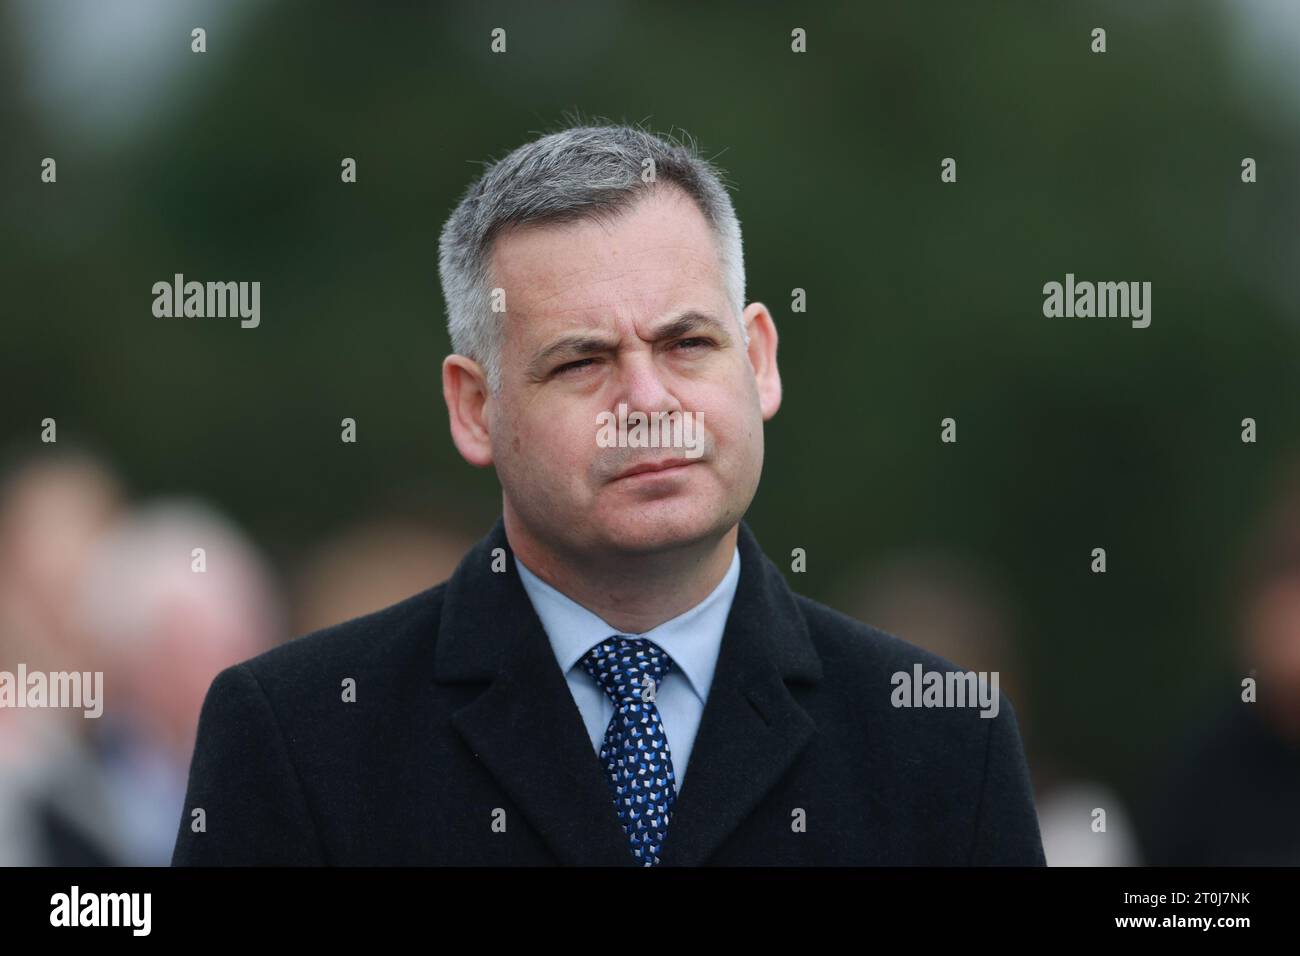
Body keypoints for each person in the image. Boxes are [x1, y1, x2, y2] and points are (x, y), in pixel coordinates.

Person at [172, 122, 1045, 866]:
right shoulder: (299, 737)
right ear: (476, 408)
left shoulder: (941, 741)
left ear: (760, 359)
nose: (649, 403)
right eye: (583, 361)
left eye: (687, 344)